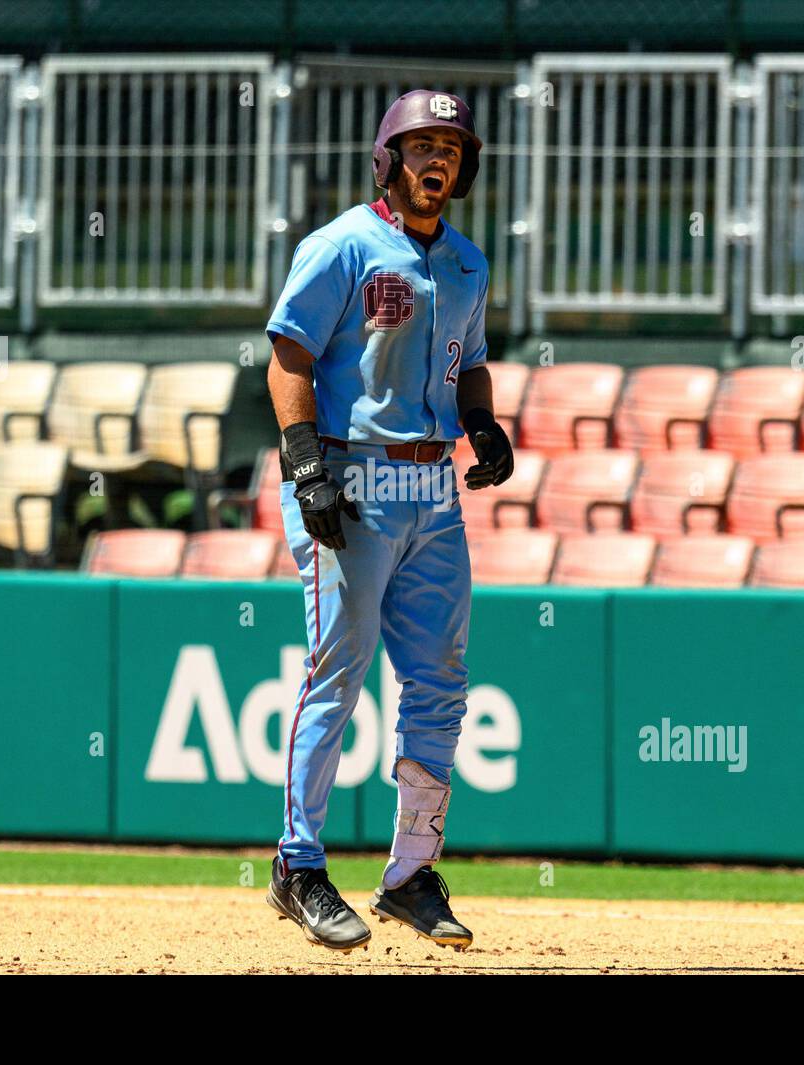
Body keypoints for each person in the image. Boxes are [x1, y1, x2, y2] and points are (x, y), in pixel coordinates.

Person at [263, 90, 514, 953]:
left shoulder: (468, 263)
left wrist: (482, 422)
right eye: (420, 144)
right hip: (351, 478)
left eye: (450, 145)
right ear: (388, 159)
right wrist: (306, 469)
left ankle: (410, 874)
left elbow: (469, 363)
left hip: (433, 488)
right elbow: (289, 356)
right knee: (339, 667)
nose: (435, 158)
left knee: (441, 677)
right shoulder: (340, 245)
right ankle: (298, 867)